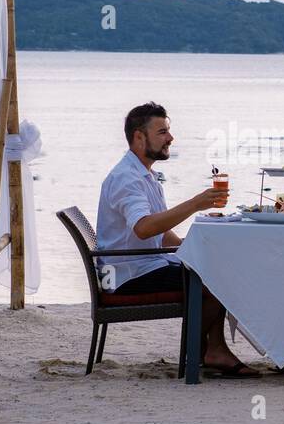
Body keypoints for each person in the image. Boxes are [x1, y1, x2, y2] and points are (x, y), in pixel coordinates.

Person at [97, 102, 260, 378]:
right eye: (162, 132)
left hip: (143, 263)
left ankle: (213, 348)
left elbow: (160, 233)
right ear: (139, 137)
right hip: (128, 273)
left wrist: (193, 246)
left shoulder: (143, 174)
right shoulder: (127, 179)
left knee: (215, 264)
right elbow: (144, 229)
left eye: (168, 131)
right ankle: (201, 348)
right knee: (216, 276)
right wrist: (195, 204)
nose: (170, 138)